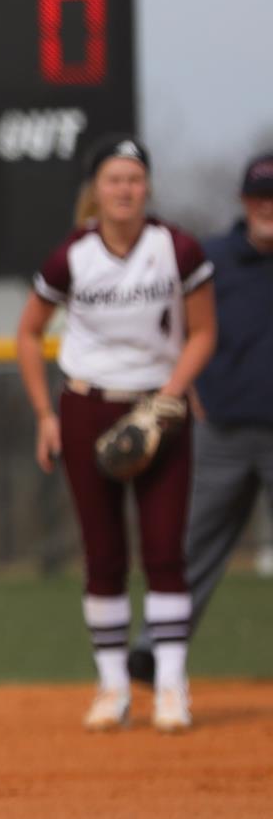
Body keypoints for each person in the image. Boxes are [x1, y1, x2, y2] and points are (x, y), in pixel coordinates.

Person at [15, 134, 216, 733]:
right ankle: (111, 688)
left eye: (133, 178)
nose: (124, 189)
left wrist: (170, 398)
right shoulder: (73, 256)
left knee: (165, 551)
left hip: (160, 403)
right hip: (87, 406)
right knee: (102, 554)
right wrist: (45, 416)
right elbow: (28, 332)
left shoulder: (175, 248)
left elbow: (204, 331)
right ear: (95, 190)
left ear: (147, 186)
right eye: (113, 179)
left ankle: (172, 688)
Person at [177, 153, 273, 657]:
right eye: (261, 196)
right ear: (243, 200)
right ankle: (158, 650)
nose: (268, 206)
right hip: (222, 433)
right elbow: (172, 328)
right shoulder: (209, 260)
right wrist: (187, 387)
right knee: (192, 548)